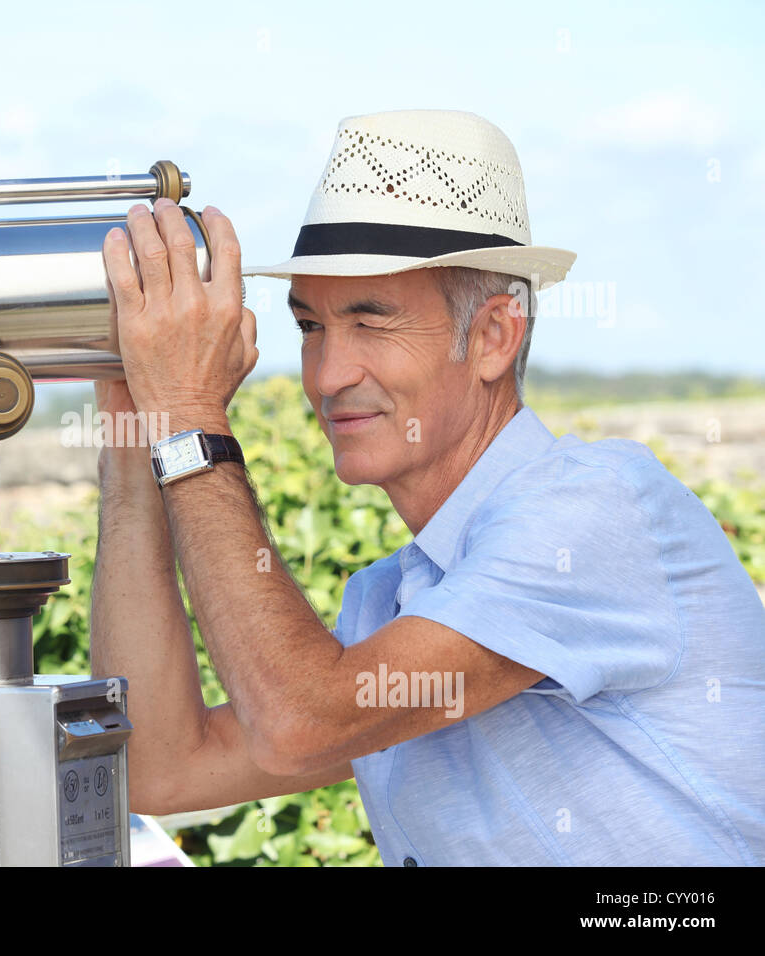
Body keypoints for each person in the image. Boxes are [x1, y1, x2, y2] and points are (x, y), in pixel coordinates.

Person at [90, 109, 765, 866]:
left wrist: (187, 411)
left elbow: (298, 720)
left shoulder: (591, 511)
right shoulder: (390, 605)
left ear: (494, 338)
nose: (328, 374)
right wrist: (134, 430)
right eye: (311, 327)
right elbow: (161, 767)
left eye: (371, 323)